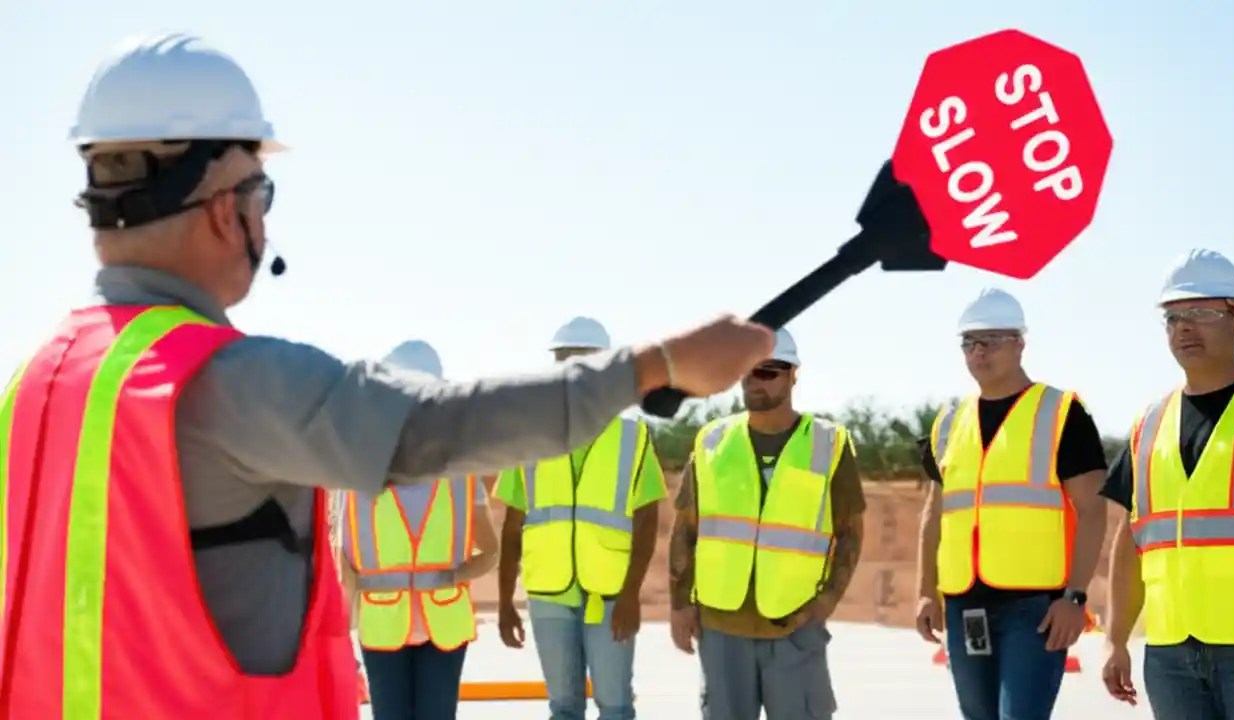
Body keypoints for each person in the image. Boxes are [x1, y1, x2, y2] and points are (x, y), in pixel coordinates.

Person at [0, 33, 774, 719]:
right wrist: (658, 366)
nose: (263, 221)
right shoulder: (232, 383)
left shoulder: (34, 387)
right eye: (259, 193)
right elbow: (440, 426)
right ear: (219, 208)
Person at [1100, 249, 1234, 719]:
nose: (1184, 327)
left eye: (1201, 312)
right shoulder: (1148, 425)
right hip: (1169, 654)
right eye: (1173, 317)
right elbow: (1130, 543)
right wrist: (1115, 640)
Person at [914, 287, 1108, 720]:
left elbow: (1094, 510)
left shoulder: (1061, 413)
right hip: (966, 603)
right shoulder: (948, 421)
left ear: (1020, 343)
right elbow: (934, 514)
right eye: (970, 343)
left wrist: (1075, 599)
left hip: (1035, 610)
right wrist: (926, 592)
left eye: (992, 341)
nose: (979, 352)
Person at [667, 328, 866, 720]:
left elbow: (850, 531)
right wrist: (679, 605)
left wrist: (825, 603)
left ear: (794, 374)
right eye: (747, 370)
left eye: (768, 371)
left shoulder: (830, 443)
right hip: (722, 627)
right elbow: (686, 527)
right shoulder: (712, 440)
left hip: (795, 626)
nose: (754, 381)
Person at [493, 316, 667, 720]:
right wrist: (505, 602)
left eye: (579, 362)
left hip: (609, 597)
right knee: (564, 708)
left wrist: (630, 595)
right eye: (562, 362)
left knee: (616, 706)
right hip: (548, 596)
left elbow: (646, 523)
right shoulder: (530, 435)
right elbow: (512, 527)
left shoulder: (632, 436)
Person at [336, 340, 500, 720]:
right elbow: (343, 561)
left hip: (443, 626)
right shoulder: (357, 472)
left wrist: (455, 574)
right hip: (382, 626)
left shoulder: (460, 472)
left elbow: (488, 551)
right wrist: (341, 636)